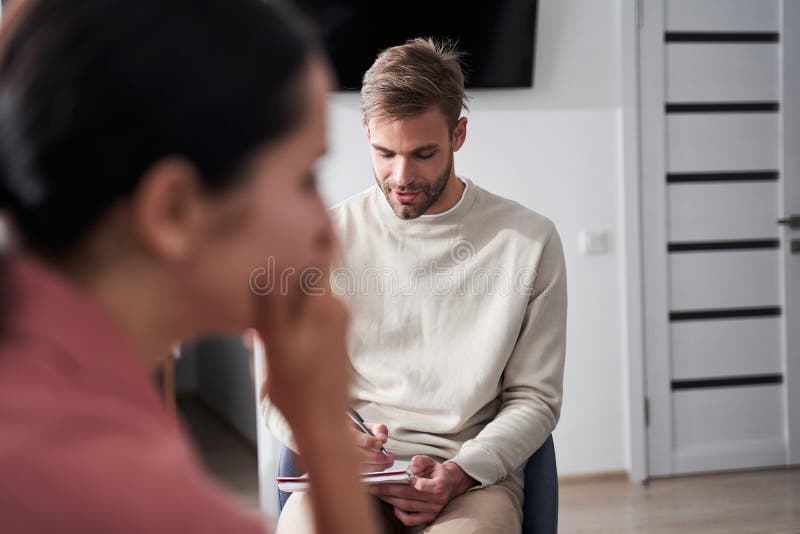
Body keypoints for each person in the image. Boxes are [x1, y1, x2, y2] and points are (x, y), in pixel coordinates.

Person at [0, 0, 378, 533]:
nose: (326, 227)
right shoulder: (136, 501)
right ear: (174, 210)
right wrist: (324, 432)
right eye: (305, 178)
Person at [267, 38, 568, 533]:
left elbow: (535, 399)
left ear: (459, 134)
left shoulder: (529, 242)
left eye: (424, 153)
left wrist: (460, 472)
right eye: (385, 153)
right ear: (366, 133)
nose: (401, 176)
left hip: (470, 481)